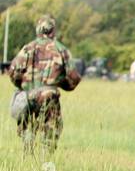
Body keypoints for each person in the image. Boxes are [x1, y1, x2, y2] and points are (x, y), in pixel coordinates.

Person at [7, 15, 81, 155]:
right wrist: (61, 84)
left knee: (28, 129)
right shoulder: (61, 49)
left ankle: (27, 157)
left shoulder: (27, 48)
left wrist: (22, 85)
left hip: (28, 97)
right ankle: (45, 160)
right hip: (49, 96)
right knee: (50, 132)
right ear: (53, 30)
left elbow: (12, 71)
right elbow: (74, 77)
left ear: (38, 30)